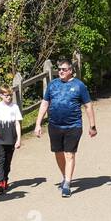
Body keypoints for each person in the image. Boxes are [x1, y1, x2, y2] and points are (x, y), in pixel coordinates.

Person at [34, 59, 96, 197]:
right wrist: (38, 124)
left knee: (69, 154)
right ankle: (64, 176)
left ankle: (67, 183)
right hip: (54, 125)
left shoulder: (79, 86)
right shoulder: (52, 85)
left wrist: (92, 126)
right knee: (58, 153)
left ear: (70, 71)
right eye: (59, 69)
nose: (61, 71)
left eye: (64, 69)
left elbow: (88, 106)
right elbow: (44, 104)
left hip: (73, 126)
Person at [0, 85, 22, 194]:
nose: (9, 97)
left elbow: (17, 123)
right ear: (1, 96)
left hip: (11, 137)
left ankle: (5, 178)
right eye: (6, 96)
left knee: (8, 161)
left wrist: (19, 139)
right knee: (1, 159)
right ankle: (0, 182)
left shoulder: (14, 107)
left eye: (10, 95)